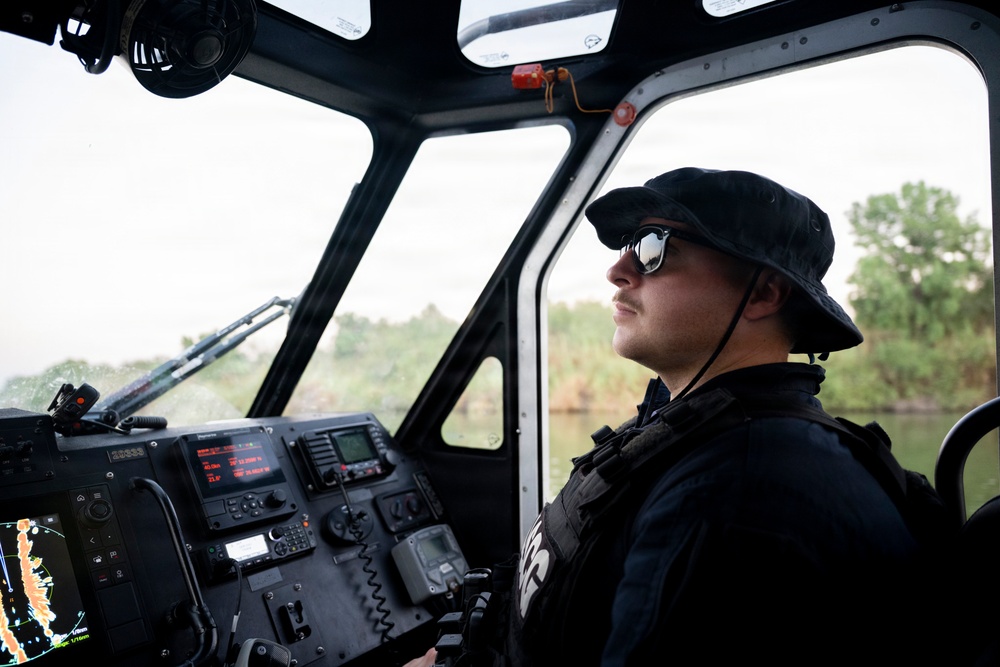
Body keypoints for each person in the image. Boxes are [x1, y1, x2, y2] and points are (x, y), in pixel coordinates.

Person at [407, 167, 927, 667]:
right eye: (629, 245)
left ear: (764, 293)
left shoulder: (736, 493)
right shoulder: (692, 436)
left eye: (654, 249)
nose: (618, 270)